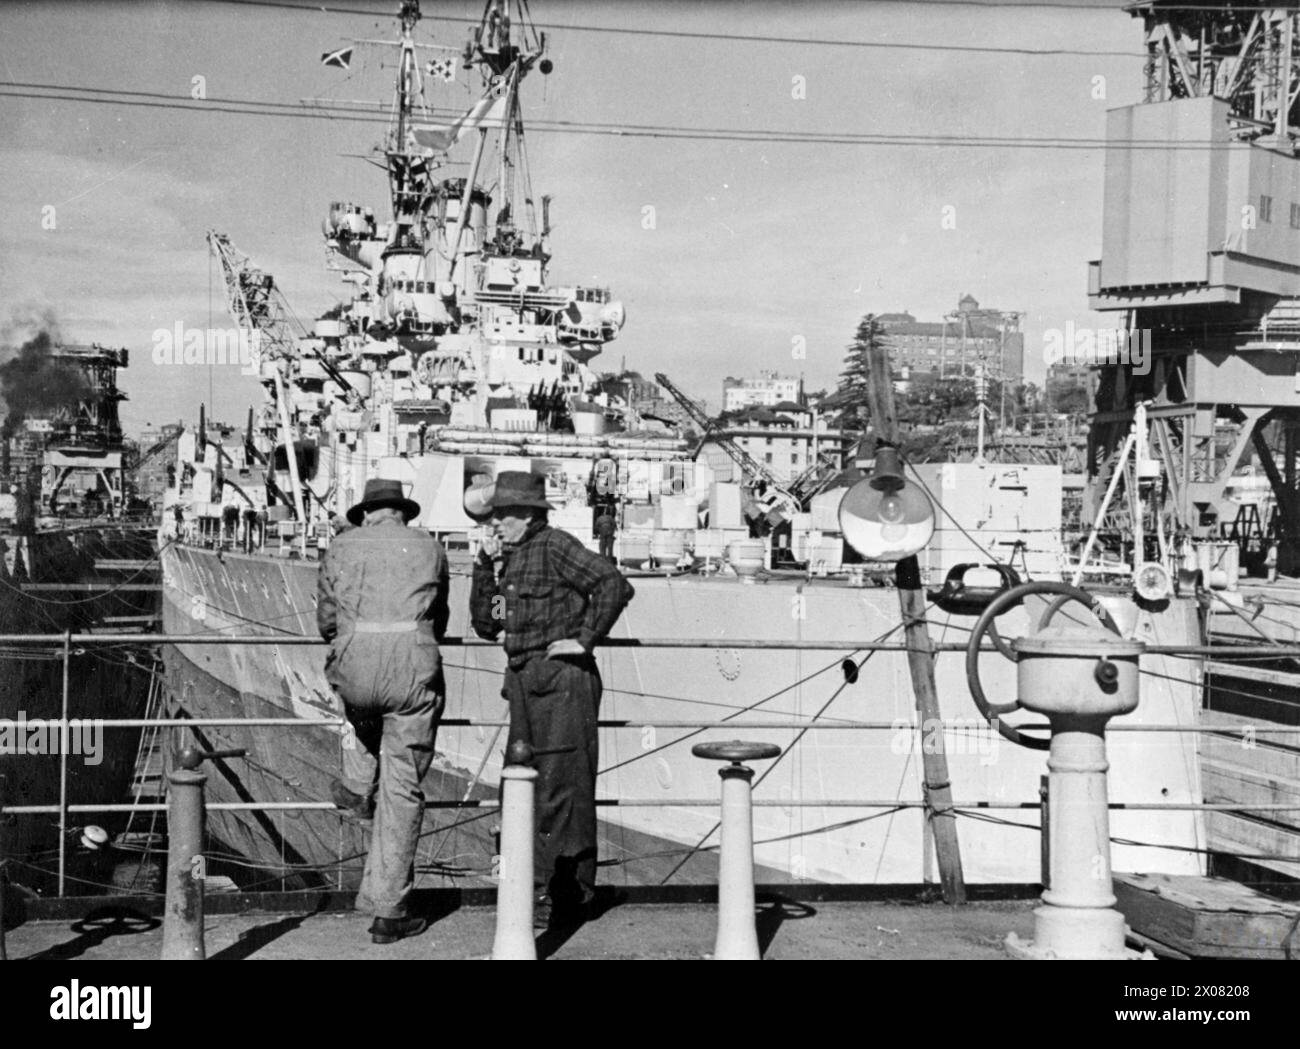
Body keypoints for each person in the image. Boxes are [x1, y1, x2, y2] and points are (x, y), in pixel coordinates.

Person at [469, 471, 634, 926]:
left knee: (558, 791)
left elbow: (613, 584)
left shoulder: (556, 545)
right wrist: (484, 568)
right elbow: (488, 624)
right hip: (525, 682)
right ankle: (560, 894)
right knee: (527, 787)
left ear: (525, 514)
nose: (494, 524)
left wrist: (584, 639)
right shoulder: (513, 559)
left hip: (562, 683)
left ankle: (551, 897)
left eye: (501, 515)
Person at [317, 477, 449, 944]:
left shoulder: (340, 546)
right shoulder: (431, 548)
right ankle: (389, 909)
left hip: (355, 672)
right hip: (413, 674)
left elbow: (326, 621)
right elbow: (443, 616)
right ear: (403, 514)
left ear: (366, 514)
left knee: (360, 704)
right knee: (402, 789)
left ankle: (355, 783)